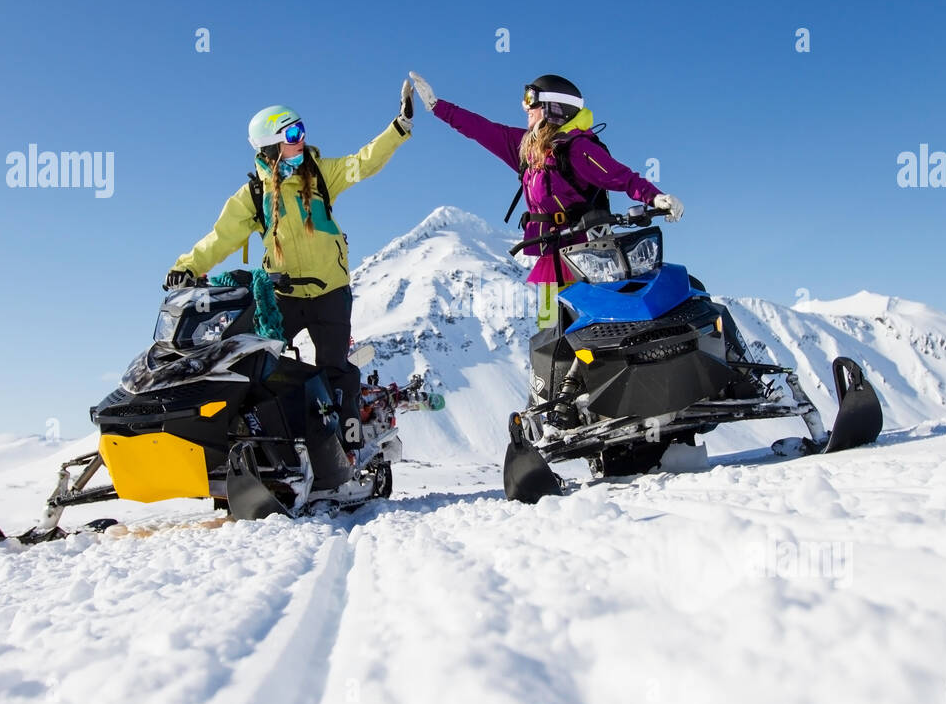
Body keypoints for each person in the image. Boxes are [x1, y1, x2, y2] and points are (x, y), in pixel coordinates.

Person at [164, 83, 415, 462]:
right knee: (263, 366)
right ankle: (272, 449)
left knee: (334, 369)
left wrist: (400, 126)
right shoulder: (252, 196)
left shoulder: (321, 174)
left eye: (302, 131)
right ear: (270, 146)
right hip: (283, 296)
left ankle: (347, 451)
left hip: (331, 292)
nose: (302, 140)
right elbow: (221, 238)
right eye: (293, 134)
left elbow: (364, 162)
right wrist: (187, 267)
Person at [406, 71, 683, 323]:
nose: (526, 109)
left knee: (587, 325)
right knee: (550, 328)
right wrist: (437, 107)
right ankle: (557, 379)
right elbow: (481, 129)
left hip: (585, 253)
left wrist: (656, 197)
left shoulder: (576, 149)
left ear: (554, 109)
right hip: (553, 254)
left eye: (533, 104)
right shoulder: (528, 149)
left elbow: (621, 176)